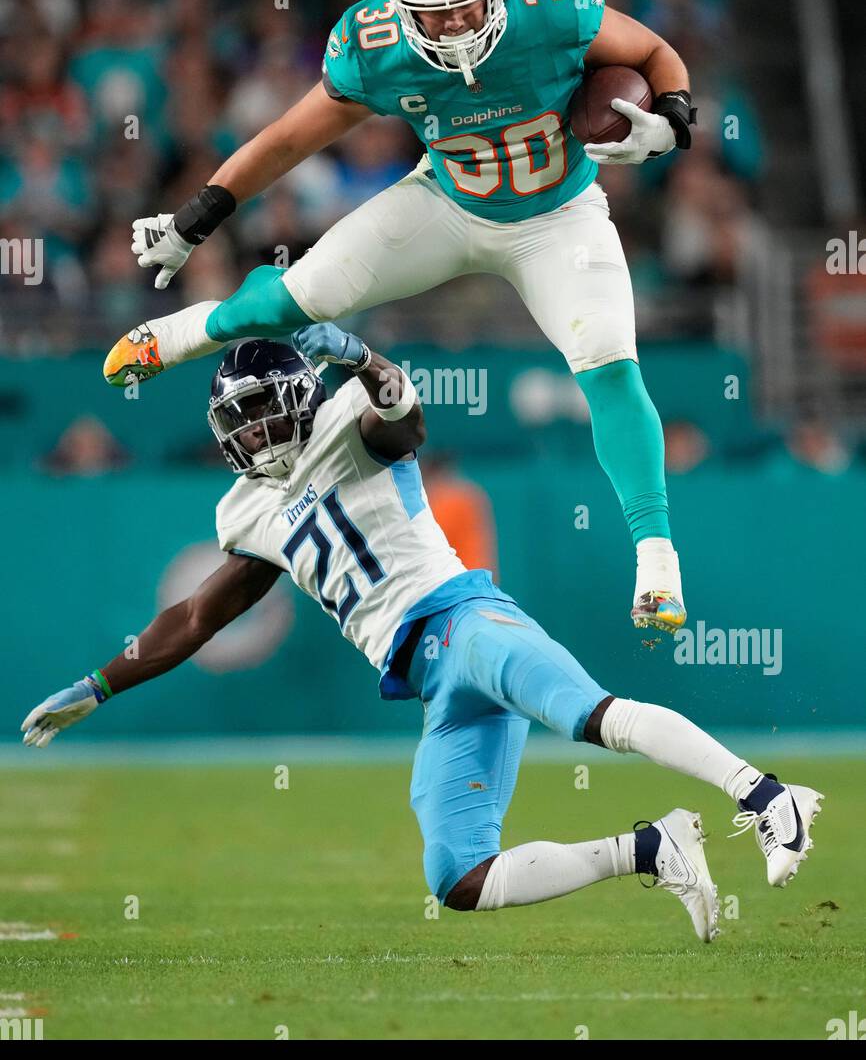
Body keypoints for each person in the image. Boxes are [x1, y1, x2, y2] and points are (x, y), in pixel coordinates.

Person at [31, 323, 822, 939]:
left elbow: (406, 423)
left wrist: (365, 358)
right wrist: (102, 683)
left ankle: (767, 794)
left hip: (463, 619)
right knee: (458, 878)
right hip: (431, 679)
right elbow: (197, 616)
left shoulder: (347, 419)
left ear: (302, 395)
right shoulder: (245, 510)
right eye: (237, 419)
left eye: (261, 408)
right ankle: (652, 851)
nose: (251, 432)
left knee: (592, 716)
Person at [104, 0, 696, 635]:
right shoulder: (373, 44)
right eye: (434, 12)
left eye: (470, 5)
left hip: (559, 215)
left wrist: (671, 122)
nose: (454, 25)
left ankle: (657, 562)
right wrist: (200, 215)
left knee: (609, 365)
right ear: (397, 1)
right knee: (301, 296)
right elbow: (291, 139)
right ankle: (189, 332)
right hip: (446, 201)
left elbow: (653, 54)